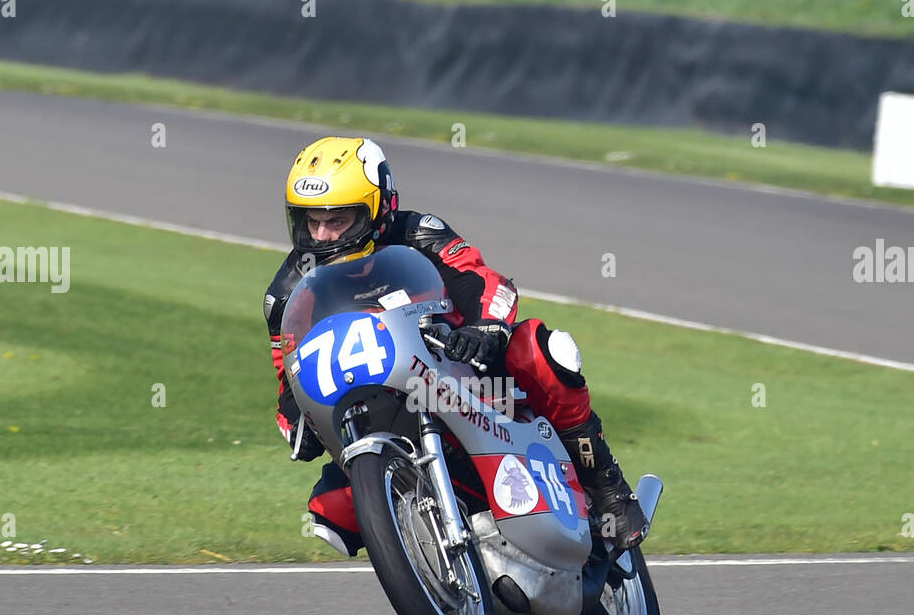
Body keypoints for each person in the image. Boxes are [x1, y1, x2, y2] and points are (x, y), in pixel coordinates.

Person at [264, 136, 650, 557]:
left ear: (378, 210)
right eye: (311, 222)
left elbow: (484, 281)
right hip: (378, 410)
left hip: (461, 373)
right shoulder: (286, 294)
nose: (322, 236)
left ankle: (608, 487)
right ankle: (431, 565)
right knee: (328, 508)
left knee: (542, 350)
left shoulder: (419, 233)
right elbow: (289, 374)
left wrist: (484, 331)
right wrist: (297, 421)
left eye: (338, 220)